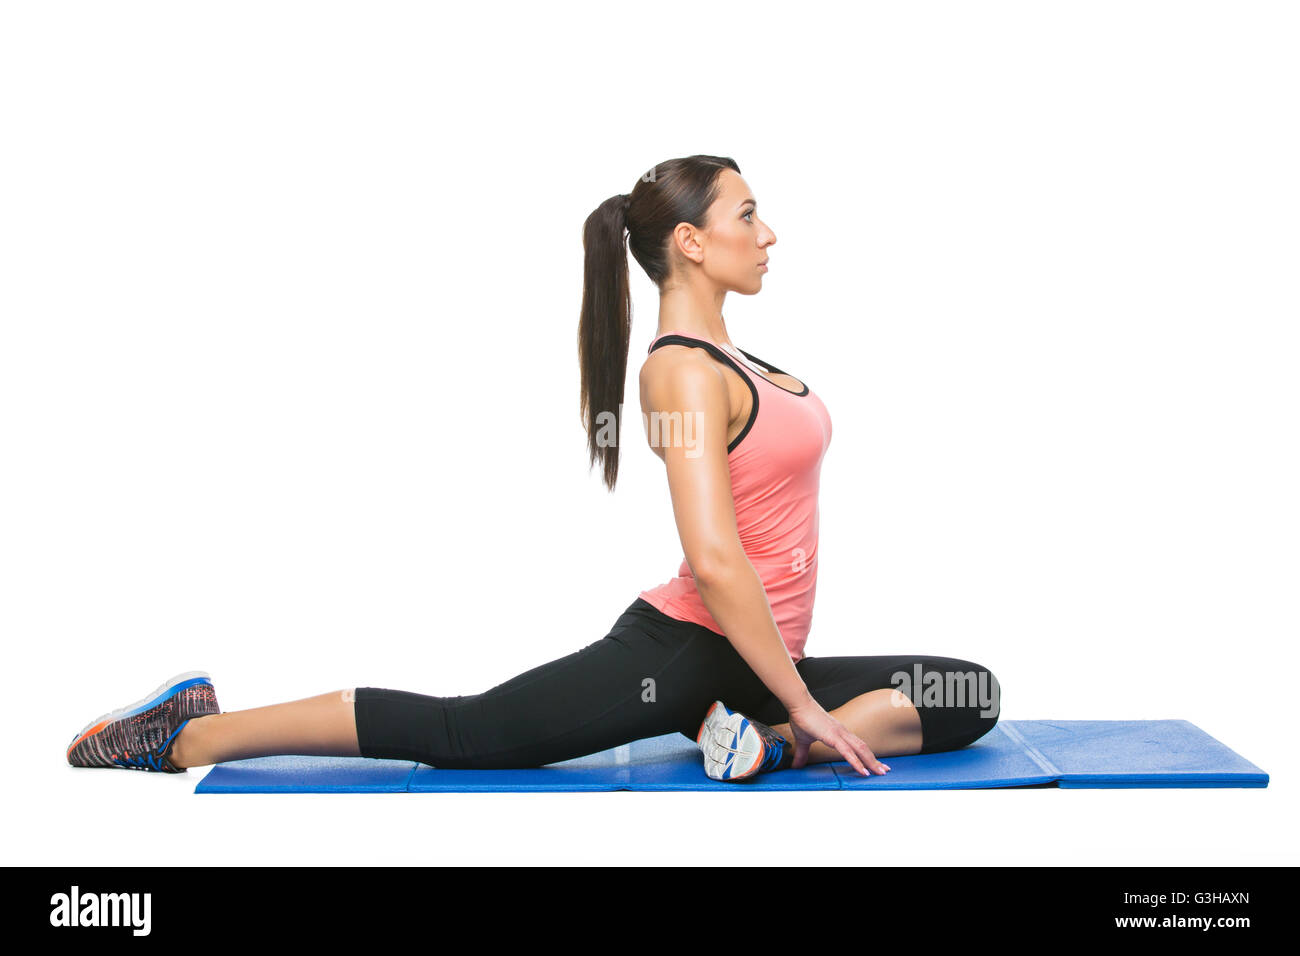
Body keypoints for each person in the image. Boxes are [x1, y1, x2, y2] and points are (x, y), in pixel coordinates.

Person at [66, 155, 1001, 784]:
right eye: (747, 215)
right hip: (684, 652)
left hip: (765, 662)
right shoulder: (680, 368)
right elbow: (715, 561)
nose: (768, 234)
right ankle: (194, 731)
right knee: (467, 733)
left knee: (968, 693)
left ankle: (759, 740)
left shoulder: (746, 361)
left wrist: (794, 702)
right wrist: (808, 699)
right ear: (690, 242)